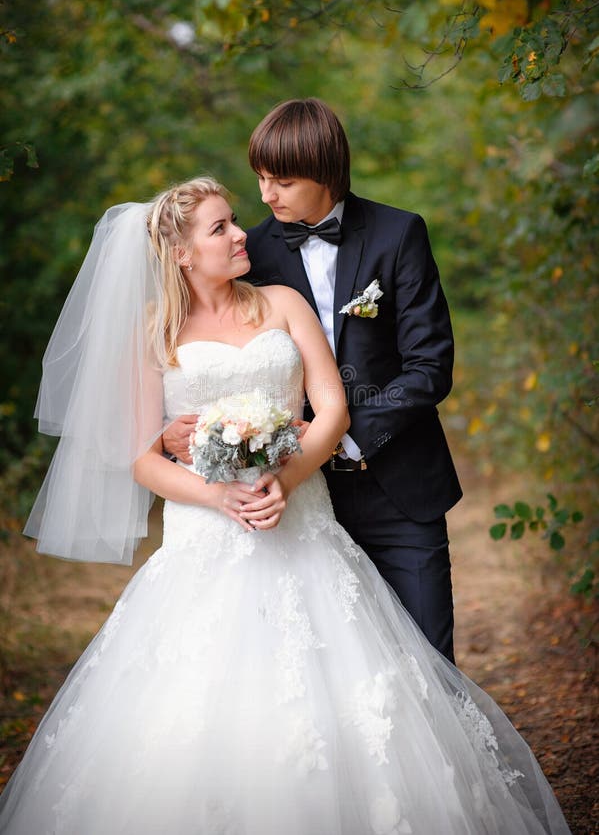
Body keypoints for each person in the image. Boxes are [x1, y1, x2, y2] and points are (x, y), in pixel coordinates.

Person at [0, 177, 570, 834]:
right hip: (204, 534)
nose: (241, 233)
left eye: (234, 220)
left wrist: (289, 477)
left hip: (304, 520)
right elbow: (142, 459)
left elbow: (331, 407)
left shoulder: (282, 303)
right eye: (219, 228)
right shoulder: (153, 335)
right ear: (182, 253)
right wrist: (220, 495)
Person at [164, 98, 461, 663]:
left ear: (325, 174)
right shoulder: (250, 251)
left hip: (401, 488)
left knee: (431, 669)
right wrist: (174, 437)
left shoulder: (398, 234)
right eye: (260, 179)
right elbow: (208, 355)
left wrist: (340, 431)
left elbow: (430, 367)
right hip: (295, 507)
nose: (266, 195)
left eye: (283, 180)